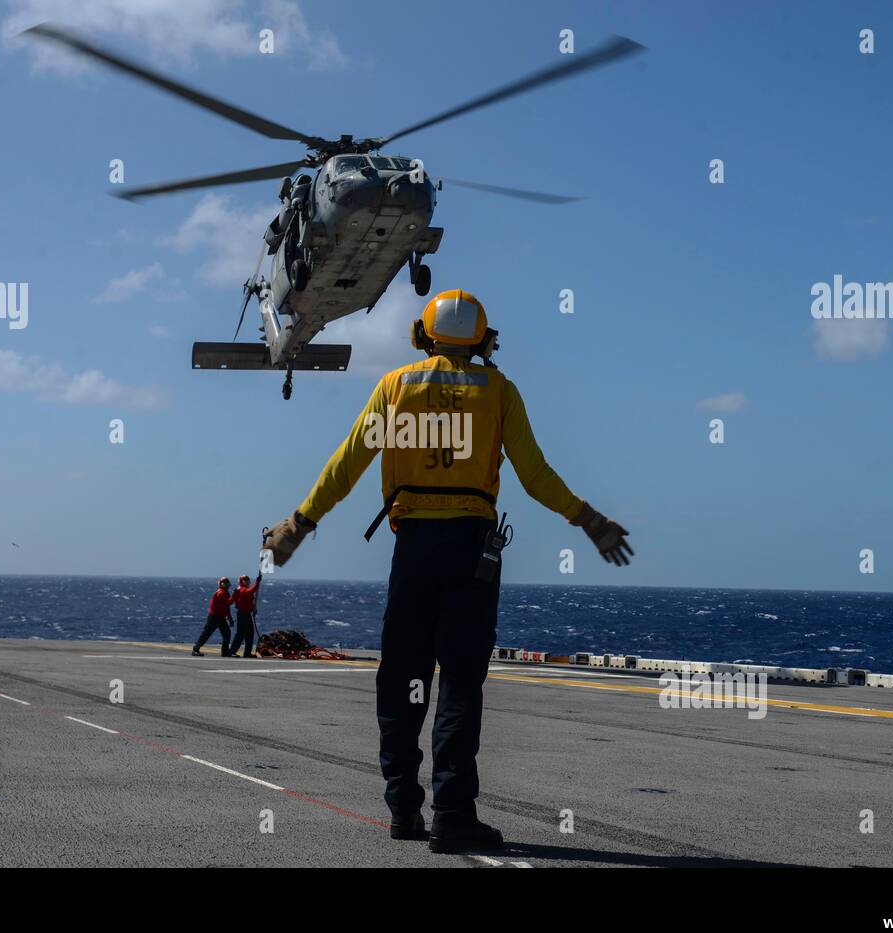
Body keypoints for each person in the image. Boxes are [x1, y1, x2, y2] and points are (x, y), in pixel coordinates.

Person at [263, 289, 631, 854]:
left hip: (414, 550)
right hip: (472, 553)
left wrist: (299, 523)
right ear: (482, 339)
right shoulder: (499, 391)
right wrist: (590, 520)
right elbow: (534, 475)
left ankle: (403, 811)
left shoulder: (396, 386)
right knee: (460, 681)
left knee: (404, 677)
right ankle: (454, 815)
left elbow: (349, 461)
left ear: (423, 335)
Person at [193, 577, 235, 656]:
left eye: (227, 582)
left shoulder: (225, 592)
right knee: (207, 633)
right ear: (221, 584)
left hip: (220, 617)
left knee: (227, 633)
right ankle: (196, 649)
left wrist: (230, 618)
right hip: (214, 617)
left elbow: (226, 608)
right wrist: (234, 596)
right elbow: (228, 603)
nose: (226, 584)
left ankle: (225, 652)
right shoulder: (221, 593)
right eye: (224, 582)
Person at [231, 573, 262, 658]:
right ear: (241, 581)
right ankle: (233, 650)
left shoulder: (242, 589)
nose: (247, 581)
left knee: (249, 633)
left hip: (246, 614)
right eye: (244, 580)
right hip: (243, 614)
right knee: (240, 634)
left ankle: (247, 652)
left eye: (247, 579)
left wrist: (253, 609)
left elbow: (248, 601)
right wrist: (257, 582)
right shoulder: (242, 589)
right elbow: (252, 591)